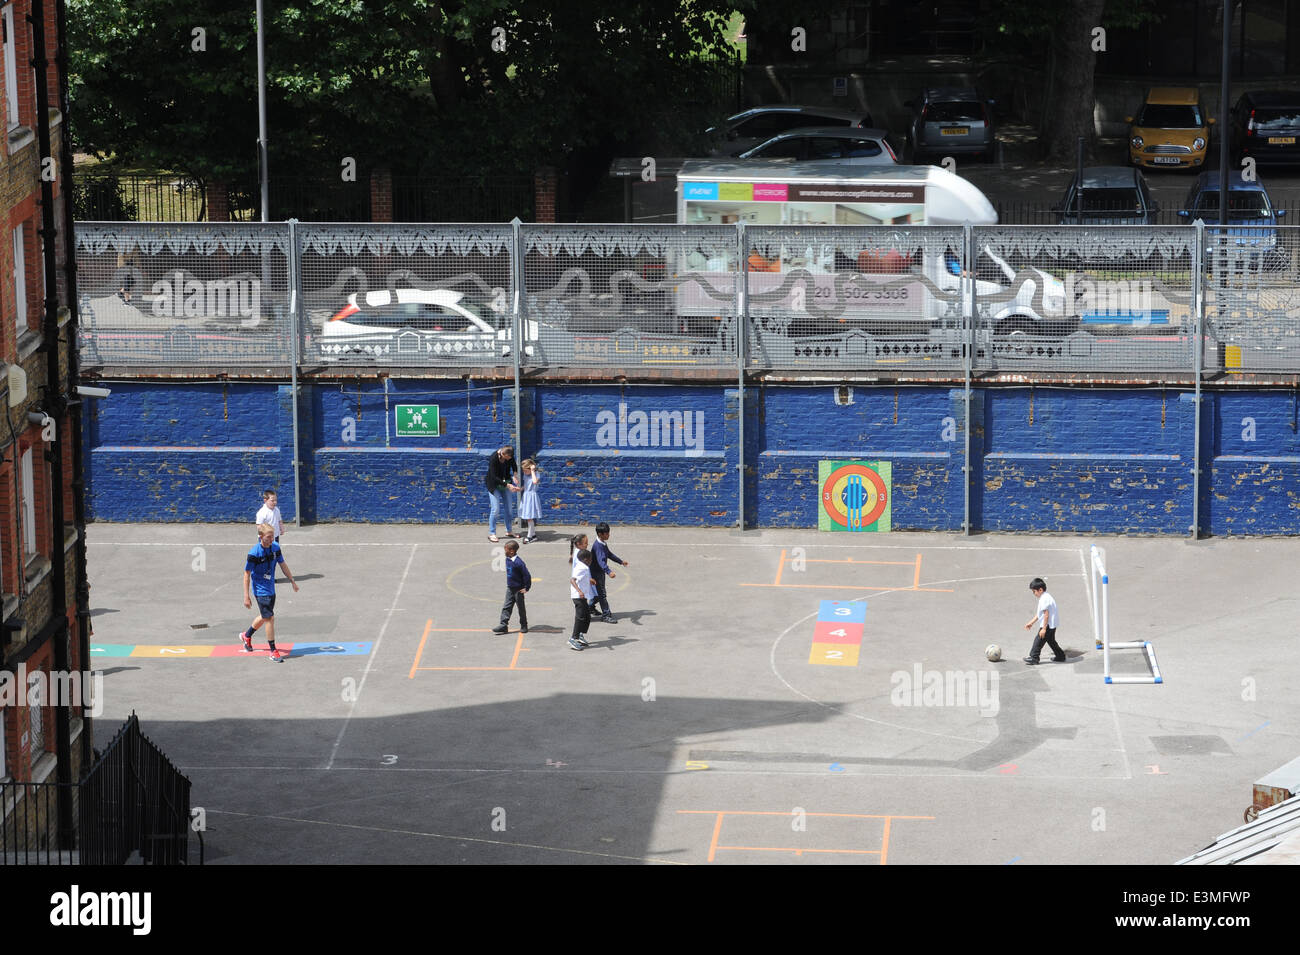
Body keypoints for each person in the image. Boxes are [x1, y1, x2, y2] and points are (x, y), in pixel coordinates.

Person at [240, 523, 299, 662]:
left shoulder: (275, 548)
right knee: (270, 618)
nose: (272, 539)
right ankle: (273, 650)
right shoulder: (254, 553)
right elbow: (246, 574)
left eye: (273, 536)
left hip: (271, 588)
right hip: (260, 590)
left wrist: (292, 580)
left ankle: (247, 636)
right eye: (269, 536)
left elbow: (282, 564)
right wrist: (246, 596)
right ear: (260, 537)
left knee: (265, 616)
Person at [588, 521, 628, 623]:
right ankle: (606, 615)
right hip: (596, 573)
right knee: (602, 594)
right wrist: (609, 571)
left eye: (608, 532)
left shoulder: (602, 543)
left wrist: (620, 561)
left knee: (598, 593)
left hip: (599, 572)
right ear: (600, 534)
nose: (609, 535)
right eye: (607, 533)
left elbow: (609, 554)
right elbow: (601, 561)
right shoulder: (598, 546)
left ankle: (590, 607)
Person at [1023, 577, 1066, 665]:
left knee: (1038, 641)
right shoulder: (1046, 596)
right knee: (1051, 641)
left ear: (1040, 590)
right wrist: (1031, 622)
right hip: (1052, 624)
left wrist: (1044, 629)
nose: (1033, 593)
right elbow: (1040, 614)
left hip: (1048, 625)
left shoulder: (1044, 599)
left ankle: (1034, 657)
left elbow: (1046, 615)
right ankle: (1060, 656)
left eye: (1034, 591)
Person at [492, 540, 530, 634]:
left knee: (521, 608)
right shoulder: (508, 559)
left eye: (506, 549)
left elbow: (527, 575)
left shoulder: (519, 563)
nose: (504, 551)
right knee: (506, 606)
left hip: (519, 589)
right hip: (510, 588)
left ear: (512, 551)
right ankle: (503, 625)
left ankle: (524, 625)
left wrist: (526, 587)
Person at [484, 446, 521, 543]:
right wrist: (508, 485)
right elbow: (494, 476)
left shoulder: (509, 454)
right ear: (503, 454)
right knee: (495, 509)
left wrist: (515, 476)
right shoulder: (494, 458)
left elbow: (514, 465)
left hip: (506, 483)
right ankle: (492, 533)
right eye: (508, 457)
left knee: (509, 508)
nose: (509, 459)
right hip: (494, 484)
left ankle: (509, 531)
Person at [569, 549, 597, 651]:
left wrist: (590, 580)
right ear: (586, 559)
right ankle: (573, 638)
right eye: (591, 559)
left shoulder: (582, 567)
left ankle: (580, 635)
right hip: (578, 596)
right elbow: (572, 580)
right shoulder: (582, 568)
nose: (591, 561)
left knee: (587, 617)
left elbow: (581, 578)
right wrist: (579, 591)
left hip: (582, 596)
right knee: (580, 617)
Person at [517, 459, 541, 543]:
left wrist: (532, 471)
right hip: (526, 496)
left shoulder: (536, 474)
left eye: (525, 470)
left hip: (532, 497)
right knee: (528, 517)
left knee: (529, 518)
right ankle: (533, 535)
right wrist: (520, 489)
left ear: (530, 468)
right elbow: (526, 485)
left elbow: (534, 482)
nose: (524, 471)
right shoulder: (525, 475)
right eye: (523, 470)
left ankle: (529, 536)